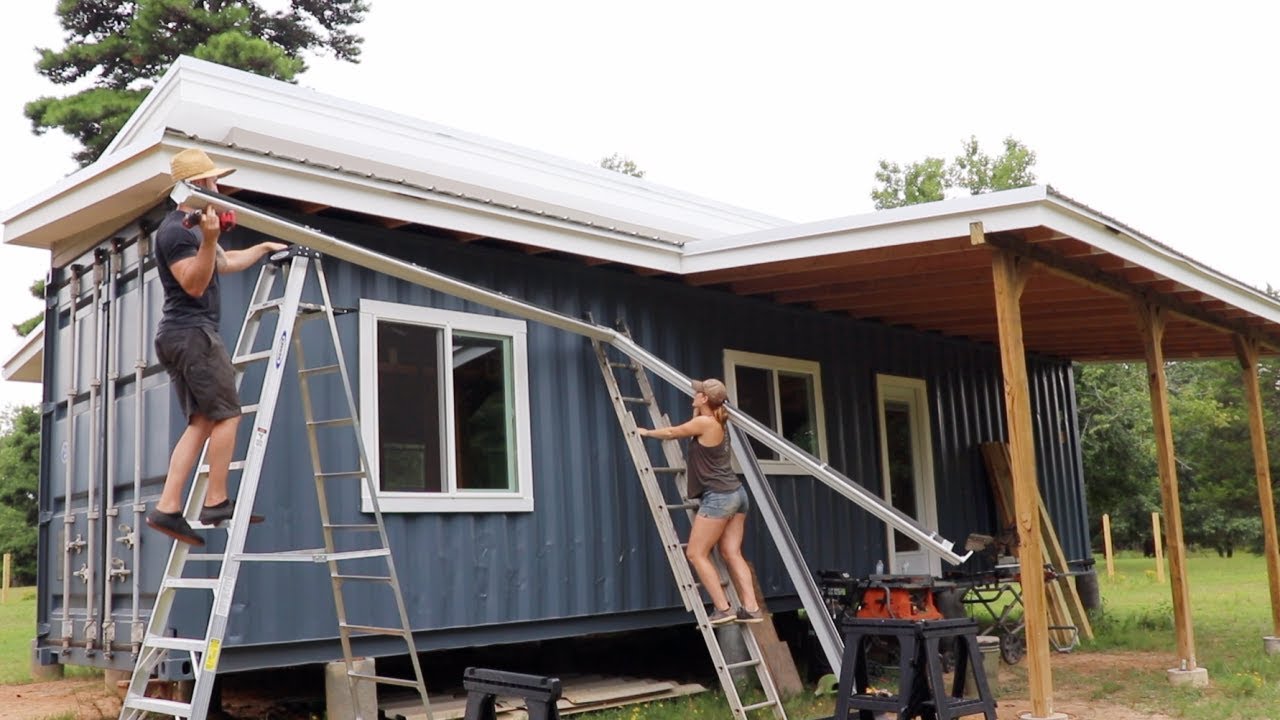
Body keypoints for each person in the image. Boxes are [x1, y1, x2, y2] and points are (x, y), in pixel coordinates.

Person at [145, 148, 286, 546]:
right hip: (192, 334)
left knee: (203, 421)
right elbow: (194, 282)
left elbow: (221, 264)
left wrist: (261, 250)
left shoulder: (192, 230)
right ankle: (216, 501)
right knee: (228, 415)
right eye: (212, 182)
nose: (218, 188)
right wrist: (208, 238)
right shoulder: (176, 231)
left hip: (181, 335)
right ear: (195, 186)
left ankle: (169, 508)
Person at [638, 378, 764, 625]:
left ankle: (723, 608)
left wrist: (647, 432)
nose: (693, 395)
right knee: (731, 552)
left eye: (697, 393)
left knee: (696, 553)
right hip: (737, 494)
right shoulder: (716, 421)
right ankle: (751, 608)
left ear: (705, 399)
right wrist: (698, 407)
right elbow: (695, 420)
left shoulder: (704, 422)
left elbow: (673, 432)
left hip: (719, 497)